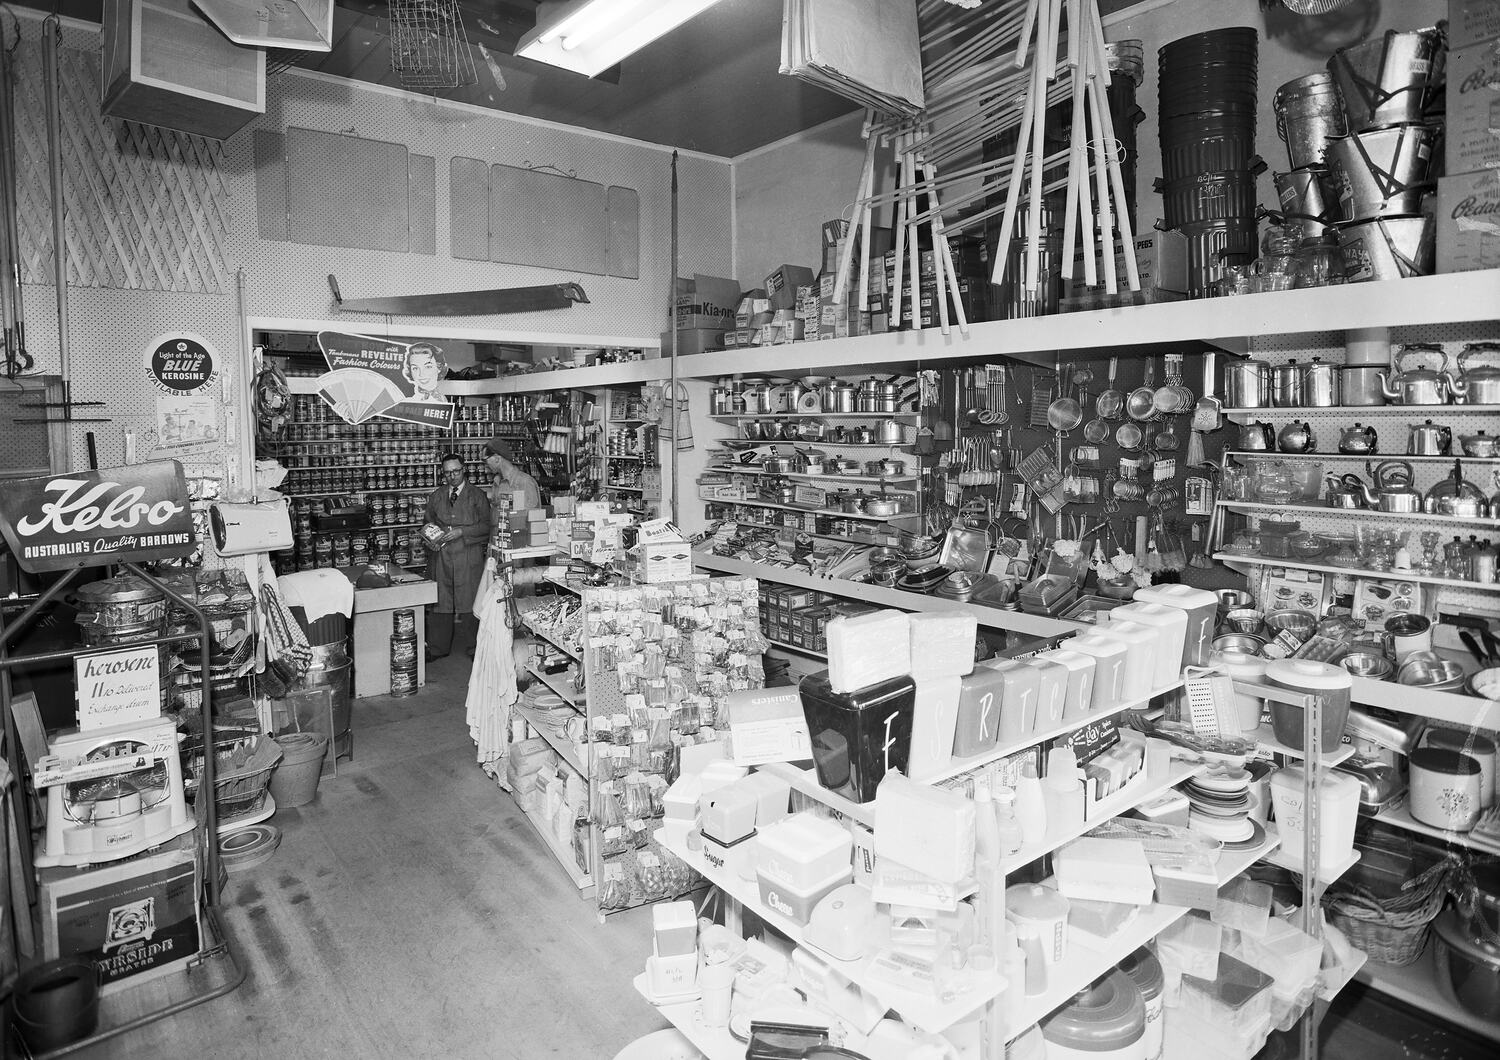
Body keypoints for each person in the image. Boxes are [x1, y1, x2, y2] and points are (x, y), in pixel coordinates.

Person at [423, 453, 491, 661]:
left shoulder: (477, 496)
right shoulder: (436, 496)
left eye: (456, 471)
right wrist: (430, 539)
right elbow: (427, 524)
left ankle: (475, 648)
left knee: (471, 600)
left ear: (464, 469)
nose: (452, 476)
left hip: (468, 555)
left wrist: (462, 531)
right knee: (440, 602)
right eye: (447, 473)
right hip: (441, 556)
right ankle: (437, 647)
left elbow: (487, 526)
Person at [483, 438, 542, 523]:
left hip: (520, 531)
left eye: (485, 460)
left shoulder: (525, 482)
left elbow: (535, 518)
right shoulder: (497, 483)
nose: (485, 465)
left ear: (497, 458)